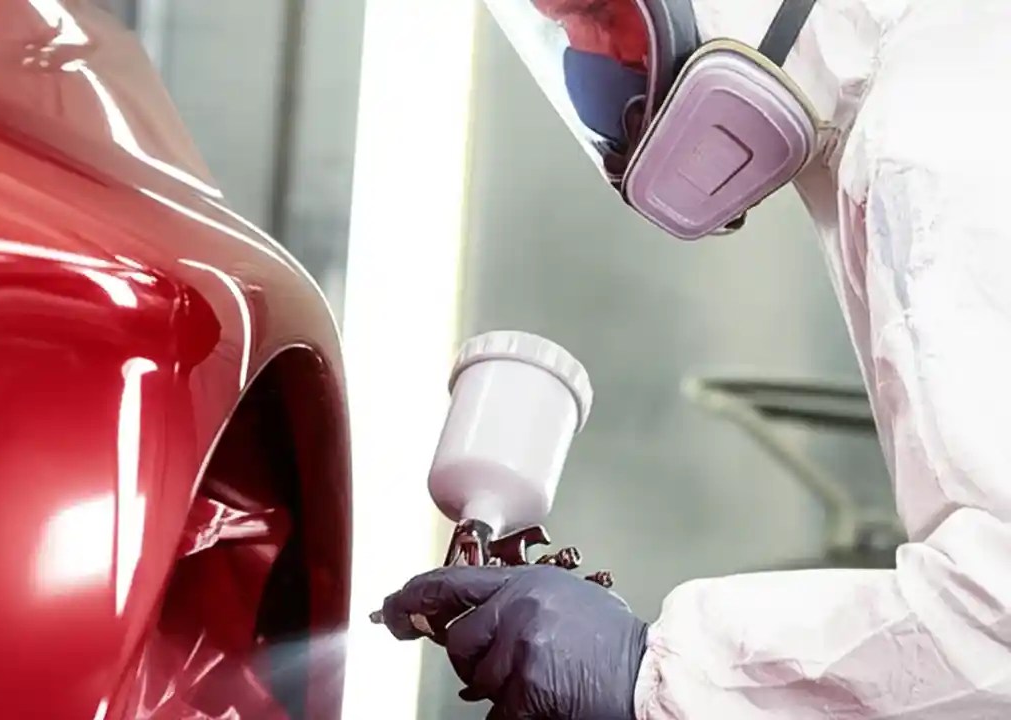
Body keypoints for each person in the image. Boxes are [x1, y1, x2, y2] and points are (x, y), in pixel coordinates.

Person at [377, 0, 1011, 717]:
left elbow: (1000, 622)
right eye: (560, 29)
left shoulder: (938, 139)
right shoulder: (932, 80)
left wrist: (654, 675)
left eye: (593, 10)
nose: (589, 68)